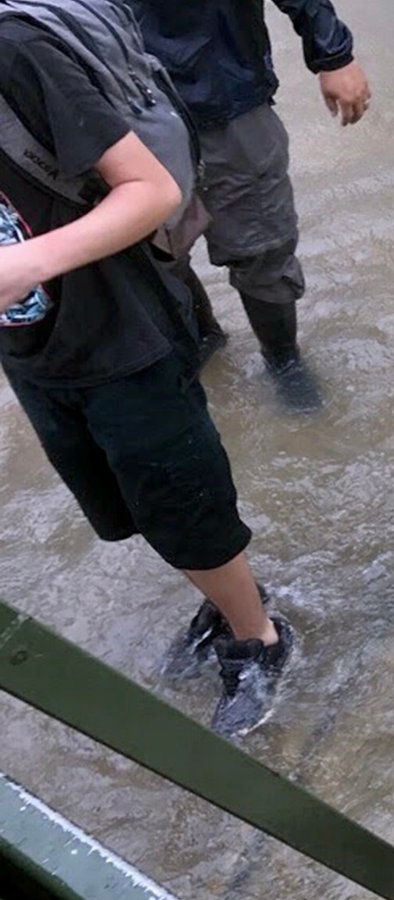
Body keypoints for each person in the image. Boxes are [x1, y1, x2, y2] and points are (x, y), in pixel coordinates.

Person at [0, 11, 295, 737]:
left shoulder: (16, 51)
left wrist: (29, 263)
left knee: (187, 506)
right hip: (31, 347)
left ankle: (259, 636)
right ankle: (227, 600)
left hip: (120, 329)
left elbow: (153, 190)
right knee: (130, 509)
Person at [127, 0, 374, 413]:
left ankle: (283, 361)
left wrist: (333, 54)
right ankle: (204, 338)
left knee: (261, 244)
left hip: (228, 90)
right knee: (152, 253)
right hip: (124, 108)